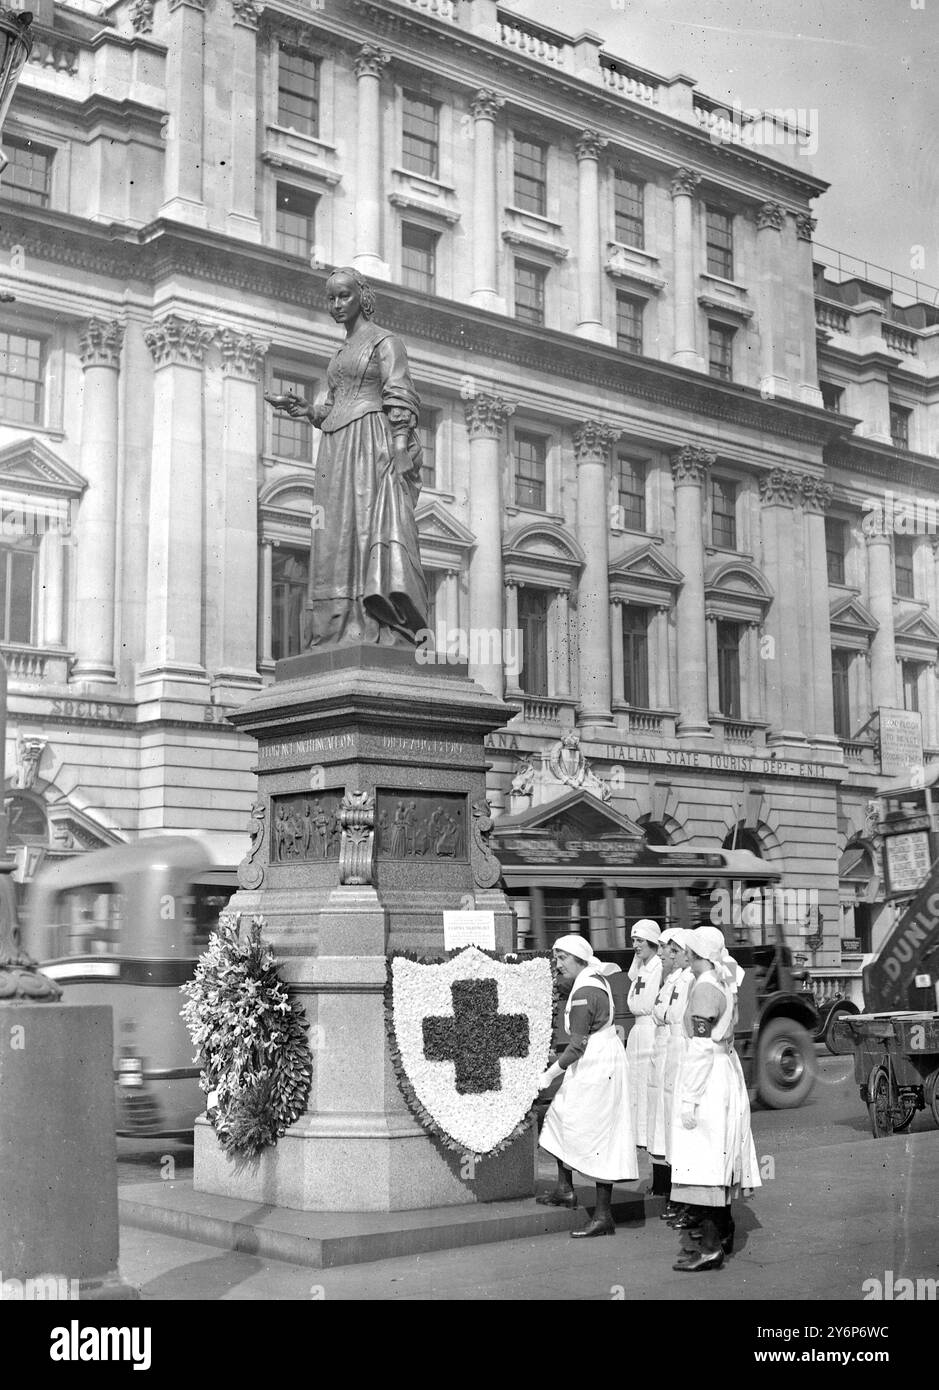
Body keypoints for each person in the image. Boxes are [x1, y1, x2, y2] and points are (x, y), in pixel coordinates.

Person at [279, 267, 428, 648]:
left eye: (343, 296)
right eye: (330, 298)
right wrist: (306, 410)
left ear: (362, 296)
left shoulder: (385, 342)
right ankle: (338, 627)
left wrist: (398, 446)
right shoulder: (341, 352)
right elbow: (333, 406)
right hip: (336, 448)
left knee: (367, 529)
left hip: (370, 445)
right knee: (333, 535)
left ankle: (374, 621)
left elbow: (400, 392)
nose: (336, 305)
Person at [668, 925, 761, 1272]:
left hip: (707, 1081)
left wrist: (689, 1099)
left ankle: (709, 1248)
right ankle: (720, 1236)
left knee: (705, 1161)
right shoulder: (720, 981)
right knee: (715, 1159)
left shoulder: (706, 988)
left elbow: (701, 1049)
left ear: (696, 955)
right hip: (722, 1074)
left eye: (688, 951)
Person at [537, 934, 637, 1237]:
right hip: (600, 1060)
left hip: (595, 1065)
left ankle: (603, 1215)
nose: (558, 965)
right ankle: (565, 1189)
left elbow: (577, 1046)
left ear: (579, 958)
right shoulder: (594, 978)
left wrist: (548, 1075)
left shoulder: (583, 993)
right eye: (556, 958)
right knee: (560, 1118)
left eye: (562, 958)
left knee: (596, 1135)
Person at [646, 927, 692, 1214]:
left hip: (679, 1052)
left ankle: (682, 1196)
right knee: (661, 1120)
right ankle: (669, 1190)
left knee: (675, 1123)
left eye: (665, 948)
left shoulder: (688, 981)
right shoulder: (671, 979)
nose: (660, 953)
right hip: (663, 1052)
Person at [626, 918, 662, 1153]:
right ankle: (638, 1134)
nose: (636, 946)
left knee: (646, 1082)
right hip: (637, 1031)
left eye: (640, 940)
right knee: (635, 1082)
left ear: (652, 941)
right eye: (634, 941)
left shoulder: (658, 967)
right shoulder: (641, 968)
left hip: (649, 1029)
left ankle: (648, 1134)